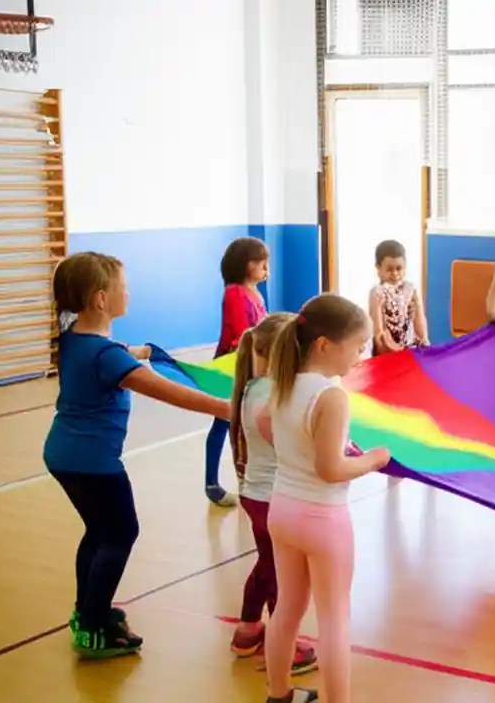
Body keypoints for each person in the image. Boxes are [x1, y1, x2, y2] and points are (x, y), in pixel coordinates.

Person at [46, 252, 231, 659]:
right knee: (120, 533)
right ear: (100, 299)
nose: (128, 292)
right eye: (122, 287)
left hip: (63, 454)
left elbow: (109, 350)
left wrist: (141, 350)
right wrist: (225, 408)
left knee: (99, 532)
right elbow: (171, 393)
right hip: (94, 463)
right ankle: (94, 627)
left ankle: (88, 613)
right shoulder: (107, 357)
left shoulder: (75, 338)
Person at [262, 295, 392, 703]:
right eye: (357, 346)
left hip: (282, 509)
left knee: (288, 607)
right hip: (323, 519)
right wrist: (372, 460)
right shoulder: (332, 396)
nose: (360, 355)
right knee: (335, 619)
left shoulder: (283, 382)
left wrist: (297, 449)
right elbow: (331, 470)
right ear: (324, 345)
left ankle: (279, 693)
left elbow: (265, 422)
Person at [226, 313, 318, 675]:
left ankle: (248, 631)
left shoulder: (253, 387)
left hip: (256, 493)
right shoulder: (275, 397)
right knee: (284, 572)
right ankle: (286, 646)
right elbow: (288, 442)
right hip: (273, 497)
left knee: (267, 565)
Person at [205, 236, 271, 507]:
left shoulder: (255, 293)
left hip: (253, 368)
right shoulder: (234, 293)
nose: (267, 268)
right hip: (233, 367)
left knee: (247, 426)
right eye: (261, 263)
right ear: (246, 265)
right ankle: (212, 482)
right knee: (225, 423)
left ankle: (249, 479)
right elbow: (243, 336)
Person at [369, 239, 429, 354]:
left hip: (407, 346)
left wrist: (424, 341)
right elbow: (378, 331)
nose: (395, 274)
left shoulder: (411, 289)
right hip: (385, 349)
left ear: (405, 266)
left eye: (399, 268)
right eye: (389, 269)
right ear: (378, 267)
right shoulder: (377, 292)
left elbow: (419, 318)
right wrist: (383, 345)